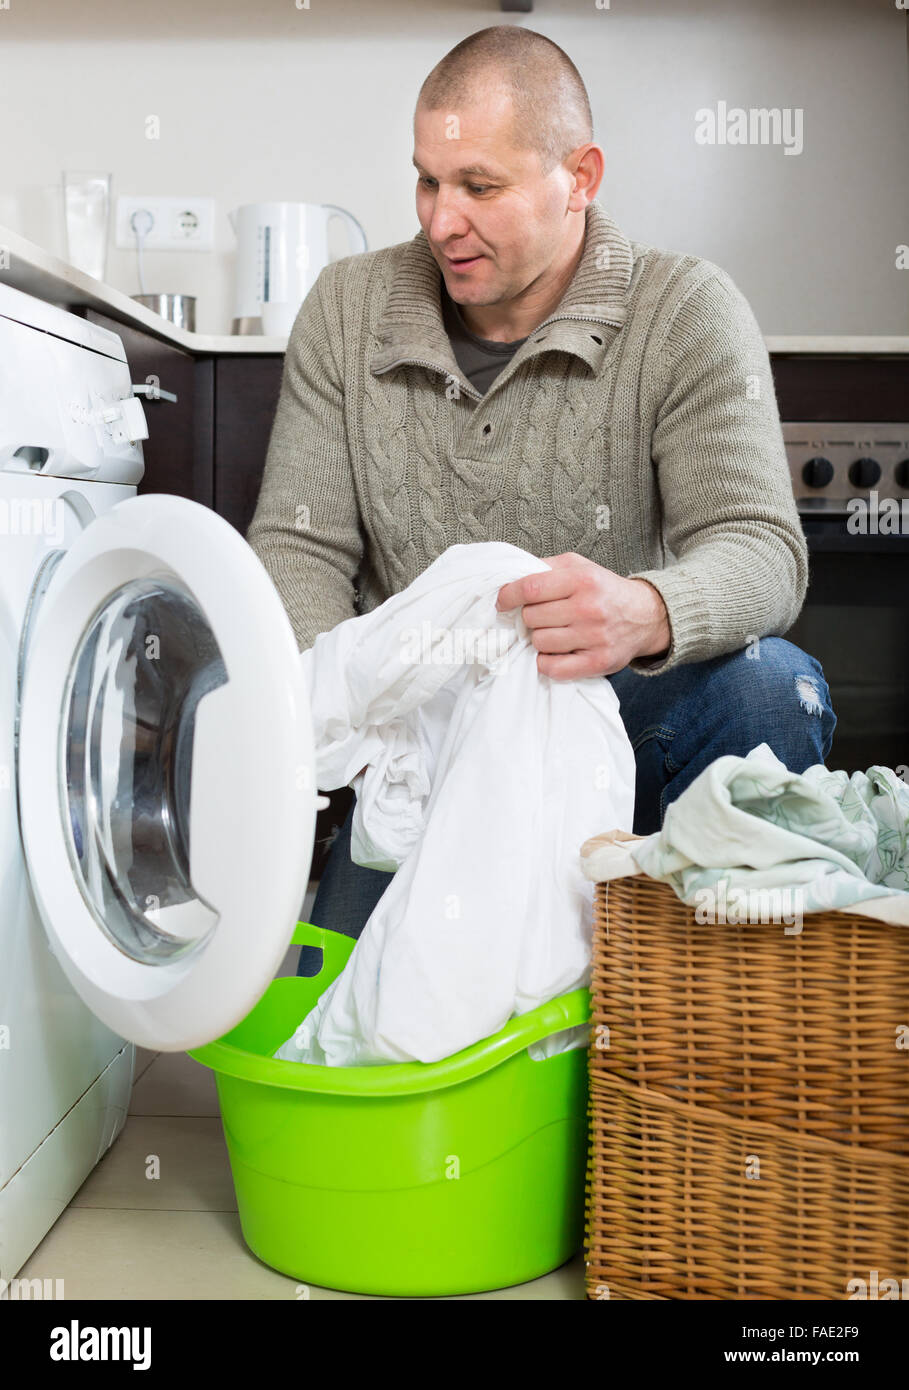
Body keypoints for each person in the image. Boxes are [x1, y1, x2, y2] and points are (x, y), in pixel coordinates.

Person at [246, 26, 836, 973]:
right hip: (418, 758)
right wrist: (367, 728)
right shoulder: (346, 309)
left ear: (581, 176)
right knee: (346, 1021)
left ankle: (714, 1018)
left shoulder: (684, 311)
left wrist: (645, 609)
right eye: (427, 181)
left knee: (770, 686)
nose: (441, 220)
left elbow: (759, 545)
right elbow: (298, 550)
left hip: (615, 724)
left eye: (479, 186)